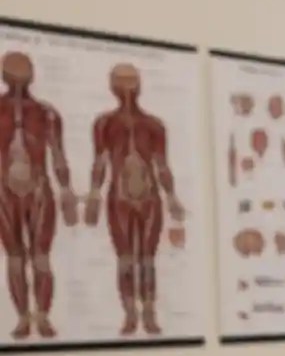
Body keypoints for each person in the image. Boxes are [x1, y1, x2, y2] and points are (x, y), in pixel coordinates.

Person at [84, 63, 186, 336]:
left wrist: (172, 197)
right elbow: (101, 161)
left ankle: (149, 313)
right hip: (119, 197)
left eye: (132, 81)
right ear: (113, 87)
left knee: (148, 258)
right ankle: (131, 314)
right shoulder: (105, 123)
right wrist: (93, 195)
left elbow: (162, 165)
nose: (127, 88)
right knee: (127, 259)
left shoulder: (153, 125)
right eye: (122, 82)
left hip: (149, 196)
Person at [0, 51, 77, 339]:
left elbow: (58, 155)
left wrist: (67, 191)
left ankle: (41, 317)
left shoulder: (47, 114)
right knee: (17, 257)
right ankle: (23, 318)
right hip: (5, 191)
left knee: (39, 256)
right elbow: (58, 157)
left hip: (38, 188)